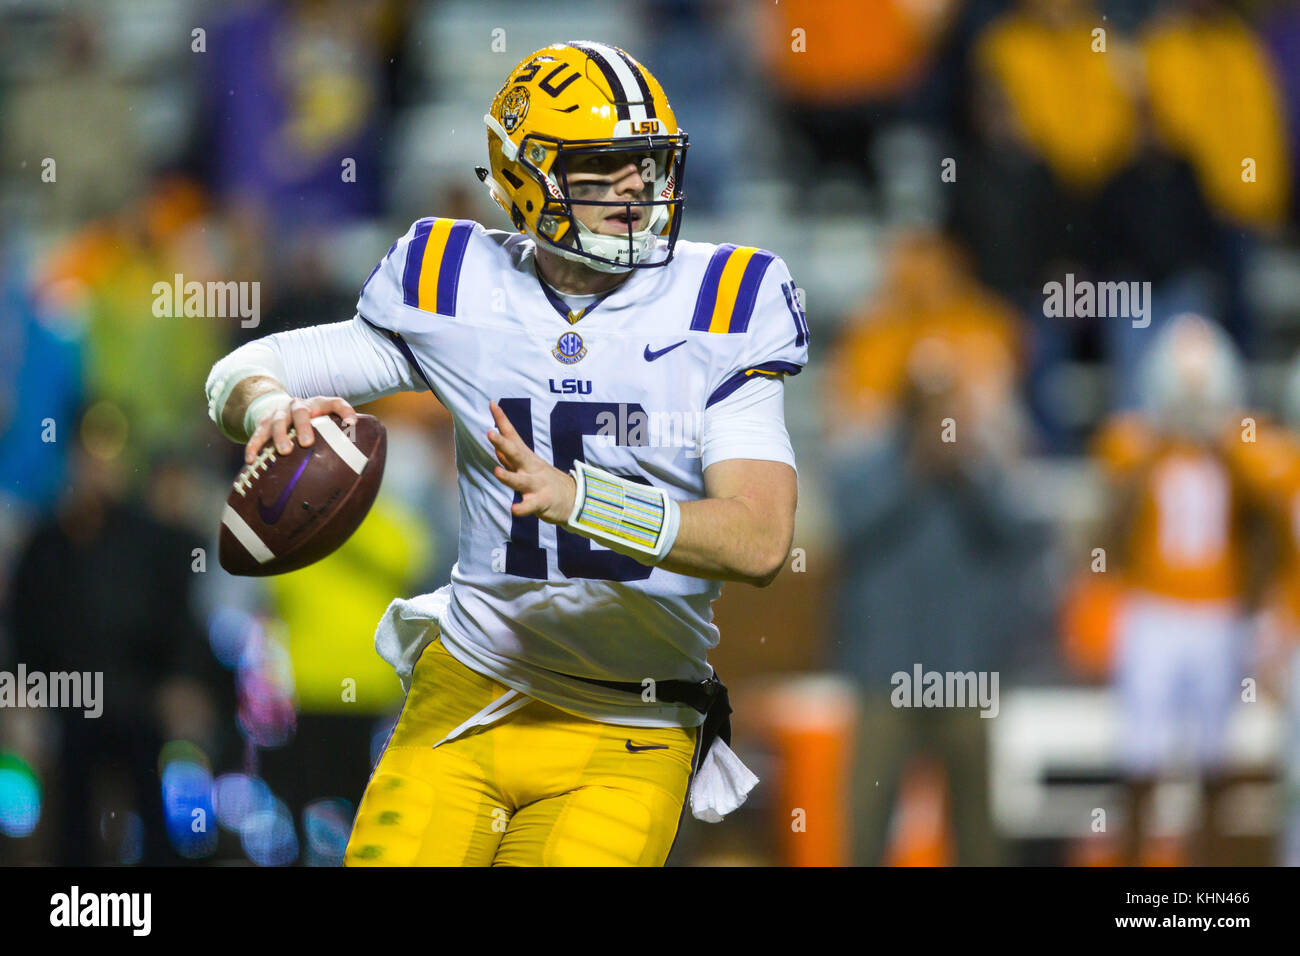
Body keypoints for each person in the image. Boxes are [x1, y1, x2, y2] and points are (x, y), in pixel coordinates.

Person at [203, 42, 808, 866]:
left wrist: (583, 501)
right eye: (601, 168)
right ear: (527, 178)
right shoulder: (461, 286)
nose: (634, 189)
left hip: (629, 723)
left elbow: (760, 539)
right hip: (468, 693)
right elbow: (243, 369)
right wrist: (272, 409)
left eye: (645, 164)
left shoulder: (724, 301)